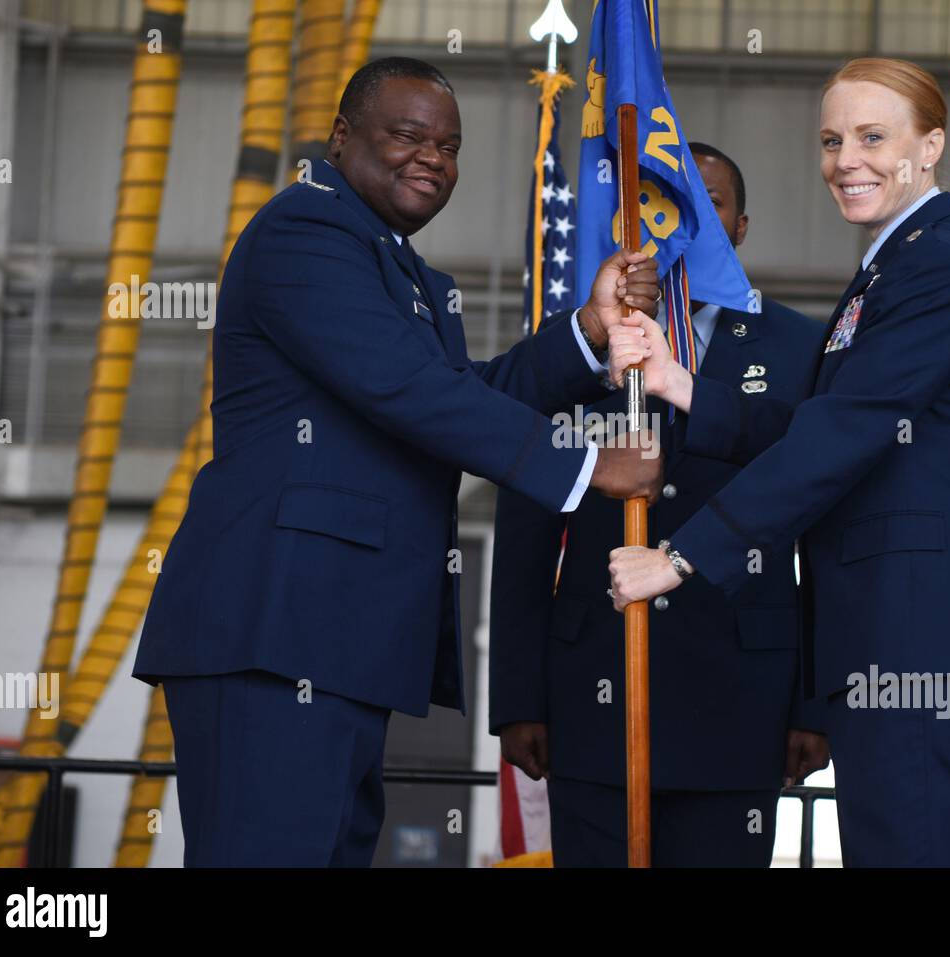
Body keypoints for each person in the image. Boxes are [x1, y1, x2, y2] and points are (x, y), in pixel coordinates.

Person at [133, 57, 663, 867]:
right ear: (342, 137)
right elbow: (411, 392)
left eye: (449, 147)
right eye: (408, 135)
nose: (433, 159)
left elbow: (456, 391)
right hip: (274, 630)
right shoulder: (302, 231)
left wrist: (586, 332)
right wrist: (587, 466)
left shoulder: (400, 271)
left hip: (338, 638)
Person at [608, 58, 950, 867]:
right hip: (891, 636)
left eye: (874, 137)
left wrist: (680, 556)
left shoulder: (942, 264)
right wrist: (680, 384)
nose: (847, 160)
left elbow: (844, 433)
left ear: (932, 145)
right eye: (833, 139)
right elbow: (819, 422)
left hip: (926, 642)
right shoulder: (893, 262)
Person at [489, 143, 830, 867]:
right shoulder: (579, 337)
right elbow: (525, 517)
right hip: (592, 693)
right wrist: (518, 694)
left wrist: (813, 699)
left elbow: (822, 526)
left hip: (742, 696)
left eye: (708, 208)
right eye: (662, 208)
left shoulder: (803, 348)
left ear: (741, 228)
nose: (681, 226)